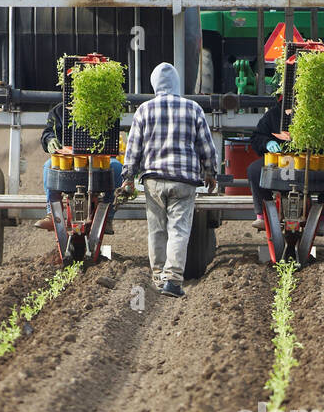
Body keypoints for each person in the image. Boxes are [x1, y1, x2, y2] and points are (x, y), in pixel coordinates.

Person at [120, 62, 218, 298]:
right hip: (183, 181)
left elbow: (133, 147)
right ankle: (173, 280)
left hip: (153, 180)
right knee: (179, 230)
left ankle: (157, 277)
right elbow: (207, 146)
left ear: (154, 84)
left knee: (156, 230)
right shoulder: (193, 108)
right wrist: (210, 173)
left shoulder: (144, 110)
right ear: (177, 83)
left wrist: (128, 177)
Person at [247, 96, 324, 236]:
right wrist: (267, 143)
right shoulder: (273, 115)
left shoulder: (316, 114)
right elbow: (256, 138)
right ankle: (263, 215)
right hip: (280, 160)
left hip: (309, 160)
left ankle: (323, 219)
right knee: (254, 170)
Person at [34, 100, 124, 233]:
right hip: (67, 158)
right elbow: (48, 132)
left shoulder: (106, 110)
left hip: (100, 157)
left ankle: (108, 217)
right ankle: (52, 215)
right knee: (49, 166)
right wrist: (49, 140)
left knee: (116, 168)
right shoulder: (58, 111)